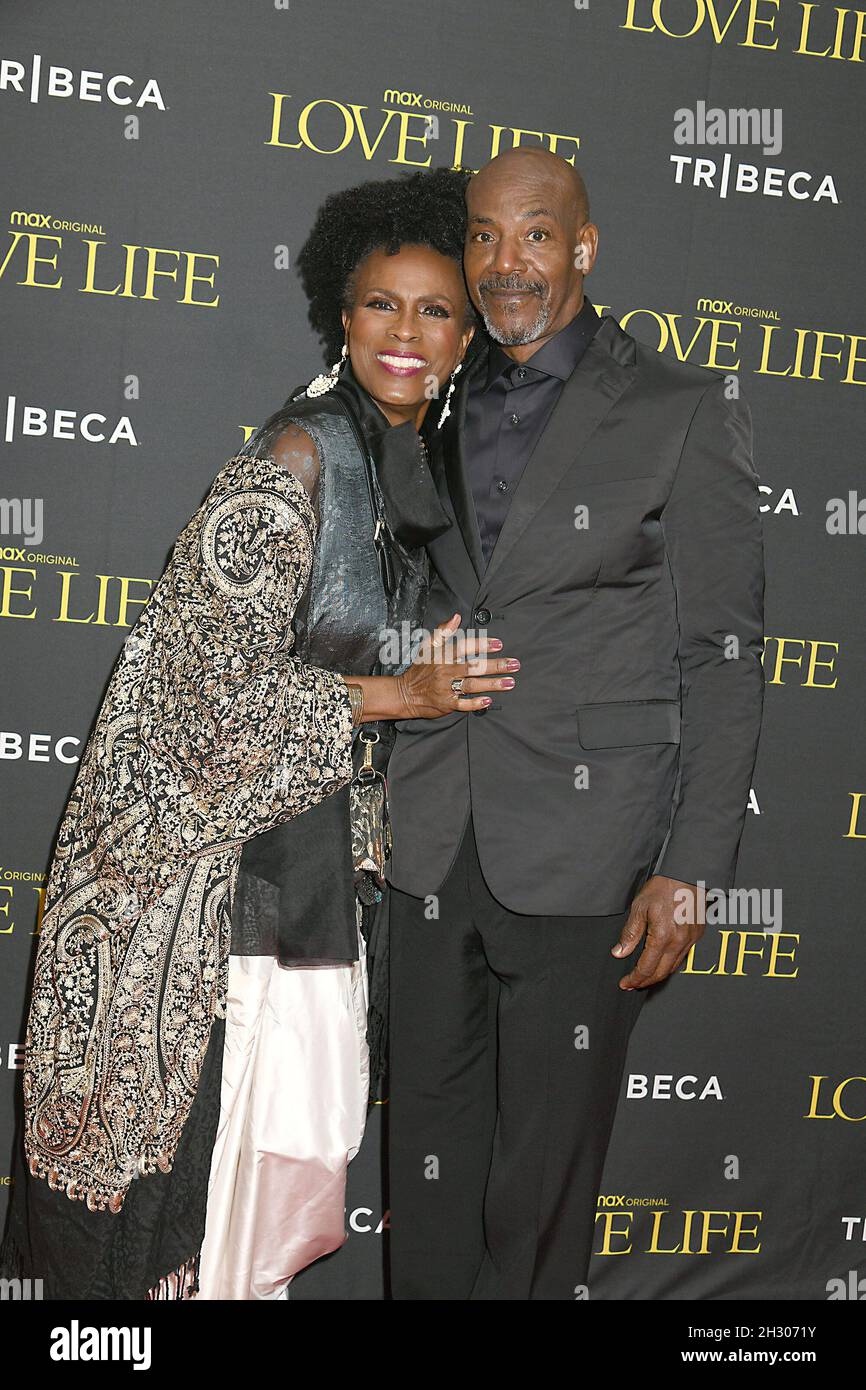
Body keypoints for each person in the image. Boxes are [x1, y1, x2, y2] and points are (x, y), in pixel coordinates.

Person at [0, 167, 518, 1301]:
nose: (406, 333)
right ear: (341, 309)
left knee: (236, 1222)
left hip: (300, 891)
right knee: (170, 1213)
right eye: (383, 302)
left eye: (437, 311)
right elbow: (193, 706)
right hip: (188, 908)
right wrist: (399, 698)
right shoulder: (293, 461)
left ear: (464, 335)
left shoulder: (411, 479)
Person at [385, 147, 766, 1300]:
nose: (506, 262)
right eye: (484, 236)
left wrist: (690, 870)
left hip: (586, 854)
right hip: (428, 839)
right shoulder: (428, 390)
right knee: (428, 1174)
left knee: (539, 1192)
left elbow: (724, 656)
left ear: (582, 249)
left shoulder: (676, 408)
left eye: (535, 234)